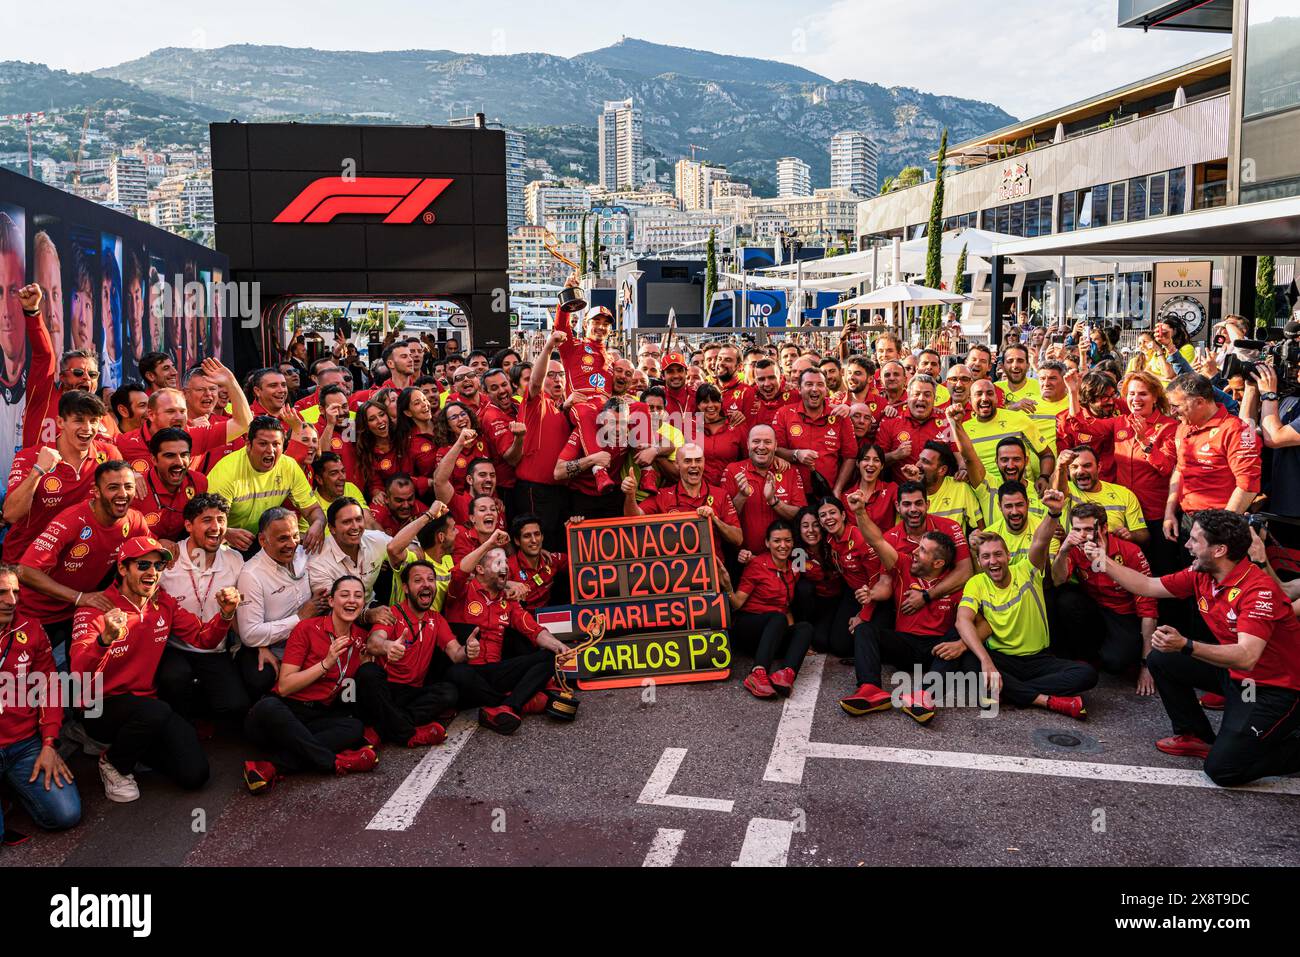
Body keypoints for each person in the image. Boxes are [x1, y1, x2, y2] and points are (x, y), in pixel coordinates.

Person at [1097, 510, 1300, 786]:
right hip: (1236, 675)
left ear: (1219, 550)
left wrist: (1186, 645)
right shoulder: (1201, 573)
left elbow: (1246, 657)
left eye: (1194, 540)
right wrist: (1101, 560)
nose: (1187, 545)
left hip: (1275, 689)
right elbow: (1147, 585)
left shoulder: (1258, 591)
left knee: (1223, 770)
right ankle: (1195, 735)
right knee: (1161, 657)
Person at [70, 536, 241, 801]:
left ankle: (132, 747)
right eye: (143, 565)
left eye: (159, 567)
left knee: (195, 775)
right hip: (99, 706)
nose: (152, 572)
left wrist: (226, 614)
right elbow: (78, 672)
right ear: (123, 568)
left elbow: (204, 639)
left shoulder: (164, 604)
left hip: (146, 707)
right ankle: (113, 763)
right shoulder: (96, 609)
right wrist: (104, 640)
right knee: (157, 710)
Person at [951, 490, 1097, 720]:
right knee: (971, 661)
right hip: (1002, 659)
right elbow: (963, 621)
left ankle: (1008, 690)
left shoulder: (1027, 571)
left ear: (1008, 556)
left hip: (1038, 660)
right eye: (986, 557)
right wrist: (987, 662)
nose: (993, 561)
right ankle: (1045, 700)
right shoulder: (976, 583)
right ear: (979, 561)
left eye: (998, 554)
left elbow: (1040, 540)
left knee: (1087, 674)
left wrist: (1053, 513)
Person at [241, 576, 380, 793]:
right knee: (268, 707)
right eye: (344, 595)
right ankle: (334, 762)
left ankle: (272, 766)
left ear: (363, 603)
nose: (351, 600)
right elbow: (285, 686)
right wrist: (326, 663)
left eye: (358, 596)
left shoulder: (361, 639)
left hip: (315, 717)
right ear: (332, 601)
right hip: (282, 713)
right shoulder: (307, 628)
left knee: (353, 727)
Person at [16, 461, 152, 656]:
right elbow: (24, 570)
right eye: (113, 487)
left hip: (82, 611)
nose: (123, 494)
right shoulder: (72, 520)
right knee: (28, 678)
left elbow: (152, 556)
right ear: (95, 492)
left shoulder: (135, 520)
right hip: (38, 612)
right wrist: (79, 597)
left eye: (128, 487)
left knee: (81, 677)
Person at [841, 529, 965, 724]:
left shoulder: (954, 584)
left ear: (938, 563)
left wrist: (961, 644)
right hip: (905, 645)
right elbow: (877, 541)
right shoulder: (904, 565)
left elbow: (975, 621)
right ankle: (870, 689)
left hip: (936, 651)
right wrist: (859, 511)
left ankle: (925, 696)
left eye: (923, 550)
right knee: (865, 629)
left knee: (960, 631)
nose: (915, 552)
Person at [444, 541, 568, 735]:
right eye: (498, 563)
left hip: (496, 672)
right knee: (457, 673)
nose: (505, 568)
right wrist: (490, 543)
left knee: (548, 656)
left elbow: (533, 630)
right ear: (480, 569)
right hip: (468, 670)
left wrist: (559, 646)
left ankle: (508, 706)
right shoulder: (463, 591)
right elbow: (458, 573)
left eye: (506, 564)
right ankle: (523, 699)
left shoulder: (508, 601)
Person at [0, 564, 81, 844]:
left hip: (24, 745)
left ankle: (15, 785)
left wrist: (49, 743)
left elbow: (49, 687)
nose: (11, 600)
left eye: (15, 592)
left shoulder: (30, 628)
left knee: (66, 815)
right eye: (2, 593)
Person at [155, 493, 249, 730]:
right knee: (175, 678)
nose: (216, 527)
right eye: (207, 520)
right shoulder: (167, 560)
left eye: (221, 520)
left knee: (235, 706)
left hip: (214, 649)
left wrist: (257, 647)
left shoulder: (235, 559)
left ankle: (198, 710)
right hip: (174, 648)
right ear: (188, 525)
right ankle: (177, 723)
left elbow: (241, 611)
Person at [4, 390, 121, 566]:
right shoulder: (29, 457)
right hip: (24, 563)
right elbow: (11, 515)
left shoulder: (109, 453)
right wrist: (38, 471)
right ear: (60, 422)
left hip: (77, 564)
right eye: (79, 420)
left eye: (94, 421)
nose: (87, 428)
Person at [1049, 502, 1156, 693]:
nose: (1082, 536)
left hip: (1124, 614)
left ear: (1104, 528)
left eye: (1089, 529)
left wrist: (1147, 666)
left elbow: (1149, 610)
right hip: (1095, 609)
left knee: (1116, 663)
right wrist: (1064, 549)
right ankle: (1085, 658)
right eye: (1077, 529)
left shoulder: (1130, 552)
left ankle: (1116, 655)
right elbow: (1057, 580)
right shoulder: (1075, 547)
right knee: (1065, 600)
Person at [354, 561, 460, 748]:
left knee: (449, 692)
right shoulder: (392, 613)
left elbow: (456, 654)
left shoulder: (436, 618)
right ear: (406, 588)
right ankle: (408, 734)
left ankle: (382, 728)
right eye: (418, 580)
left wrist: (470, 650)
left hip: (412, 693)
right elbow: (373, 642)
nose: (426, 584)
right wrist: (387, 646)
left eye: (430, 579)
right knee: (368, 673)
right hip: (386, 689)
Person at [235, 508, 327, 700]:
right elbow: (250, 634)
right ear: (263, 540)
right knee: (259, 678)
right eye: (283, 538)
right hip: (272, 648)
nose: (292, 544)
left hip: (308, 640)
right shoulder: (251, 574)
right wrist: (300, 618)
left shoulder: (304, 553)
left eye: (295, 536)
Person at [720, 520, 814, 698]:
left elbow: (785, 607)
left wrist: (796, 642)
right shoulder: (756, 565)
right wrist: (727, 586)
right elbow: (737, 603)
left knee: (805, 628)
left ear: (793, 543)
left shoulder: (794, 568)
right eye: (777, 541)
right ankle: (757, 673)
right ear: (767, 543)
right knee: (777, 618)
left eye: (787, 540)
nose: (783, 545)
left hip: (773, 634)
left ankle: (785, 674)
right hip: (749, 629)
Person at [206, 416, 326, 554]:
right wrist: (227, 533)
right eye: (263, 444)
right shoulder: (227, 471)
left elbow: (313, 510)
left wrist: (319, 523)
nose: (270, 450)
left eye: (276, 444)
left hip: (261, 539)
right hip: (224, 540)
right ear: (248, 444)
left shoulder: (289, 467)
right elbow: (208, 521)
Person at [1163, 373, 1260, 545]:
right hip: (1188, 521)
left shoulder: (1237, 430)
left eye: (1176, 405)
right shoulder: (1183, 427)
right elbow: (1180, 469)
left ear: (1200, 402)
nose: (1172, 412)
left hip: (1221, 524)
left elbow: (1248, 485)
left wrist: (1221, 529)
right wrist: (1169, 512)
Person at [516, 330, 575, 551]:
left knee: (561, 548)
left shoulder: (568, 409)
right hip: (536, 491)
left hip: (562, 491)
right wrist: (549, 346)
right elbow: (534, 383)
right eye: (551, 374)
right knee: (539, 548)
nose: (557, 379)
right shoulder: (536, 403)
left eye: (561, 375)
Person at [621, 443, 742, 548]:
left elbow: (738, 538)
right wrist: (630, 495)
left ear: (704, 463)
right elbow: (633, 518)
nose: (694, 465)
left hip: (712, 567)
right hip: (676, 569)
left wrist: (714, 519)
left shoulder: (720, 494)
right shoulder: (662, 495)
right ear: (677, 465)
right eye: (687, 461)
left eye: (698, 460)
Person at [773, 368, 857, 497]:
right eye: (809, 384)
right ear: (799, 389)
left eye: (820, 384)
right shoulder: (784, 413)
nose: (814, 389)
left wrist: (837, 489)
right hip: (792, 493)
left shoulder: (840, 416)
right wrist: (796, 454)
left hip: (828, 493)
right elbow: (776, 449)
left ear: (826, 389)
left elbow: (850, 456)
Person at [724, 424, 806, 554]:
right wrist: (742, 496)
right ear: (747, 444)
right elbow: (724, 520)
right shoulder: (732, 470)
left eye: (767, 442)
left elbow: (800, 516)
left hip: (783, 557)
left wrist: (774, 501)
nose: (761, 447)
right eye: (756, 441)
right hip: (743, 557)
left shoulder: (790, 471)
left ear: (775, 445)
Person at [1053, 446, 1148, 546]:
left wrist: (1130, 535)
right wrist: (1060, 466)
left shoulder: (1124, 494)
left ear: (1099, 467)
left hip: (1113, 555)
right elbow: (1057, 491)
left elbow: (1144, 535)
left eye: (1087, 465)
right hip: (1076, 556)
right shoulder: (1066, 490)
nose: (1080, 471)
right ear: (1068, 471)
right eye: (1074, 467)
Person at [132, 427, 208, 543]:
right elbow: (125, 531)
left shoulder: (199, 482)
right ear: (154, 459)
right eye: (170, 456)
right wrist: (156, 542)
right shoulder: (135, 488)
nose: (179, 462)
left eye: (184, 455)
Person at [876, 374, 951, 482]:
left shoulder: (946, 422)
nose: (921, 398)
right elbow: (875, 462)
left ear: (934, 398)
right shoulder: (890, 422)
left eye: (927, 395)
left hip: (939, 495)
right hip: (902, 494)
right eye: (916, 394)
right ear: (908, 396)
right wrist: (894, 455)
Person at [507, 514, 569, 610]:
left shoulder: (551, 559)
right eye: (527, 536)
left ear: (542, 537)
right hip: (519, 620)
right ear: (517, 541)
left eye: (537, 534)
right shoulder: (507, 567)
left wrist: (574, 527)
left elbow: (580, 561)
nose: (534, 540)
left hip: (547, 618)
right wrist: (506, 584)